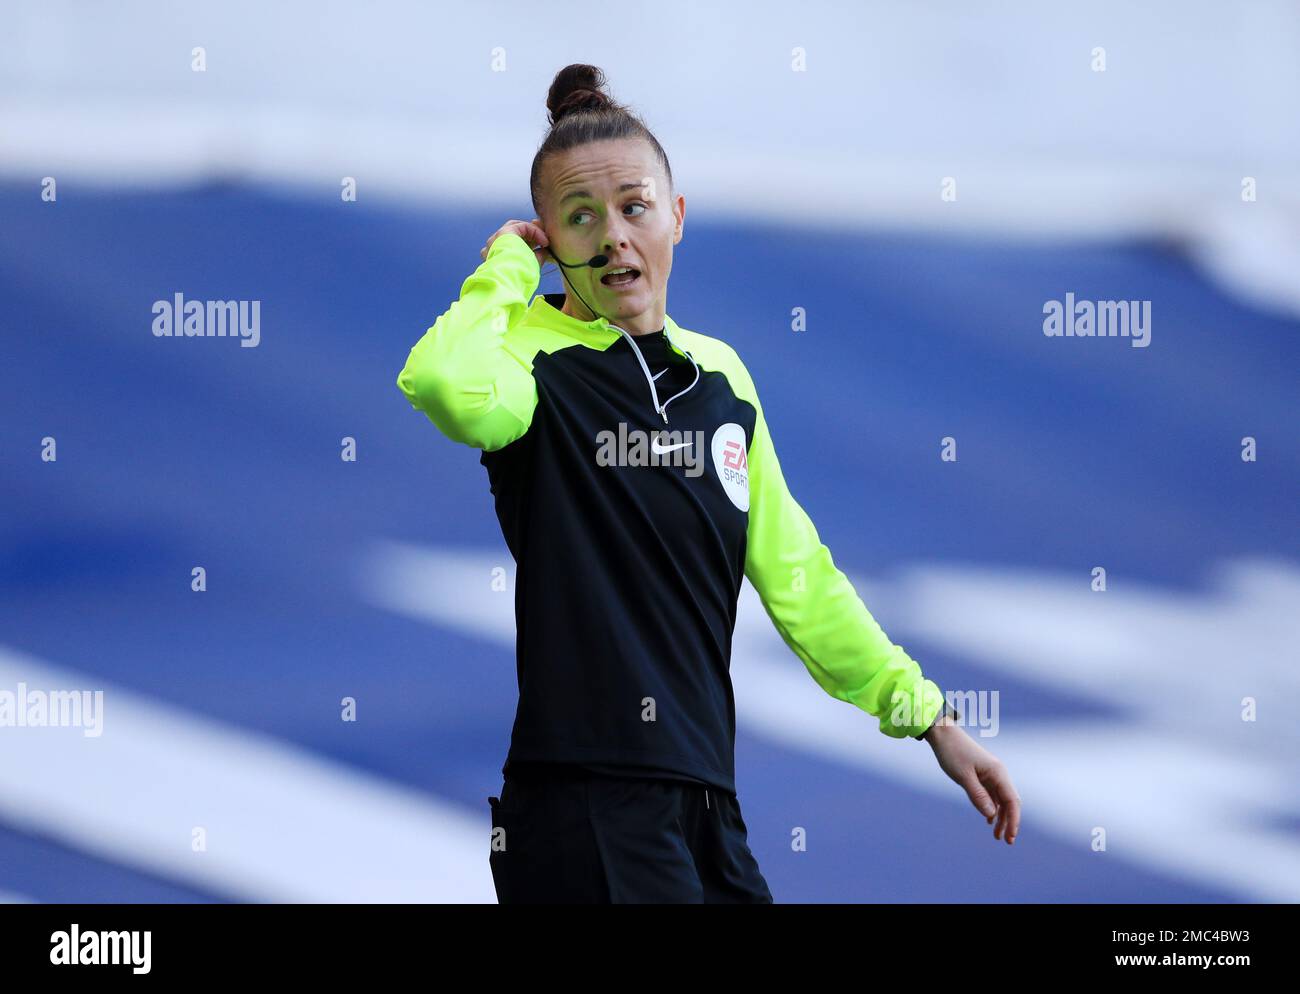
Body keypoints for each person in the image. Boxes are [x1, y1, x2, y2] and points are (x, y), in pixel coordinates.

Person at [396, 63, 1021, 903]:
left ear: (677, 217)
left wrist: (931, 719)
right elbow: (442, 382)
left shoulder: (721, 378)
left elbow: (800, 579)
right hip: (580, 799)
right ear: (547, 236)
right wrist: (504, 271)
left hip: (703, 802)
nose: (613, 235)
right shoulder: (528, 360)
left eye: (635, 206)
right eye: (578, 218)